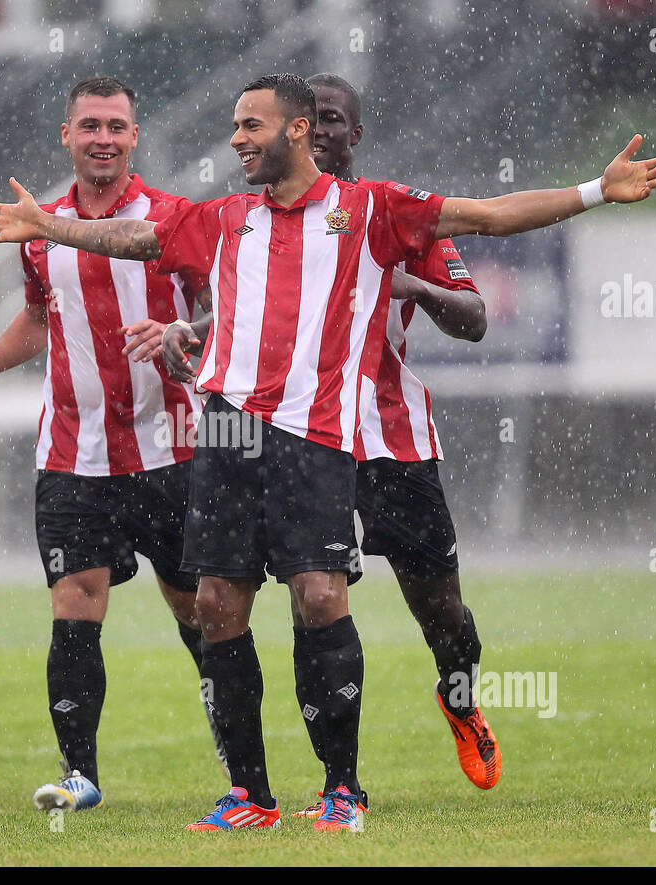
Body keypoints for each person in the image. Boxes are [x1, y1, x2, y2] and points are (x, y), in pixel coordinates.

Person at [0, 73, 656, 831]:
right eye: (234, 124)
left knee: (322, 596)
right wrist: (50, 226)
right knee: (215, 604)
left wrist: (596, 189)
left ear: (296, 131)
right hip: (229, 431)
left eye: (250, 126)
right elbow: (137, 238)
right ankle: (250, 797)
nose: (236, 138)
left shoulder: (370, 211)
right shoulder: (228, 217)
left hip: (317, 437)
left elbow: (489, 216)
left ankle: (344, 790)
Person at [159, 74, 498, 817]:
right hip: (293, 431)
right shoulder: (258, 219)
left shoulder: (388, 215)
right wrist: (188, 333)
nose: (329, 131)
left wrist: (411, 285)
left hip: (387, 430)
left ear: (342, 133)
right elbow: (240, 318)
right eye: (320, 118)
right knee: (306, 595)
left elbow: (474, 316)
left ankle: (460, 695)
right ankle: (303, 785)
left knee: (437, 603)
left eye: (338, 120)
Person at [0, 76, 223, 815]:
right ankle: (79, 774)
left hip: (175, 450)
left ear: (135, 138)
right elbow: (38, 319)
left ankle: (239, 765)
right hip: (73, 453)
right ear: (67, 135)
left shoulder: (173, 219)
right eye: (89, 125)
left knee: (197, 605)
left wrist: (185, 336)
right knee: (75, 598)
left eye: (116, 126)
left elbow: (225, 308)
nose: (103, 137)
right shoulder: (41, 227)